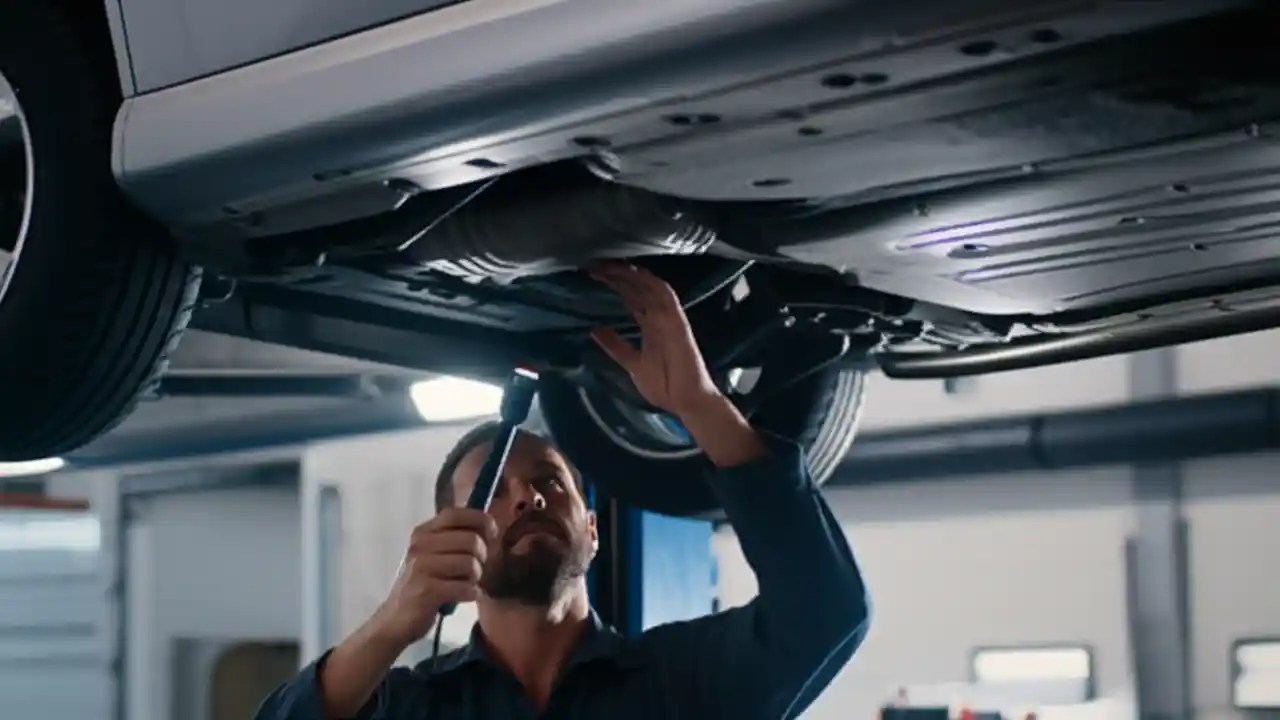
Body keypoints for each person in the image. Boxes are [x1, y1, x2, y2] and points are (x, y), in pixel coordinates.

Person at [256, 262, 871, 719]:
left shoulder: (684, 682)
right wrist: (393, 623)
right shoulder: (412, 706)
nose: (529, 498)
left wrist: (699, 405)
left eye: (550, 481)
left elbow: (825, 612)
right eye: (495, 490)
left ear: (593, 529)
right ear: (450, 540)